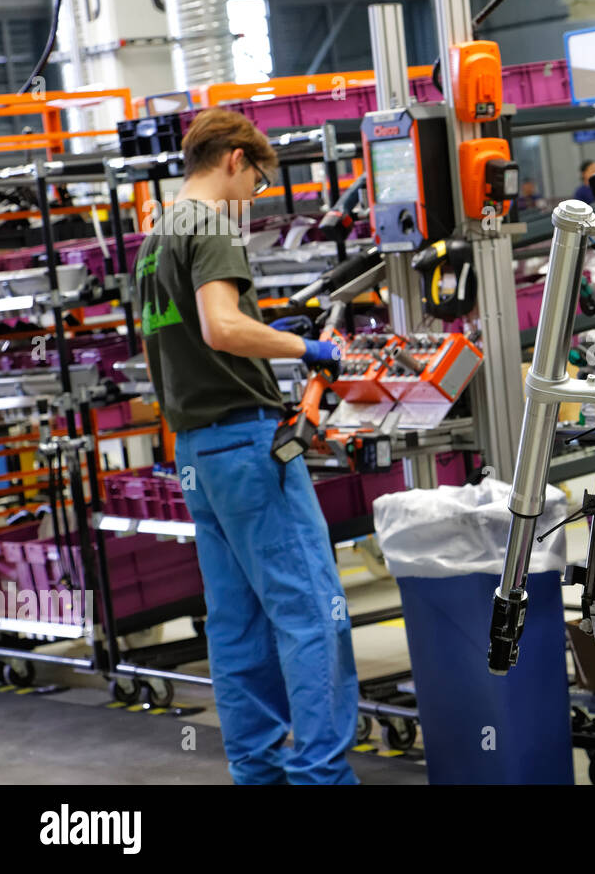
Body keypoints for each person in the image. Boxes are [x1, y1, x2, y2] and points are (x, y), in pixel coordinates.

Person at [134, 108, 359, 785]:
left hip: (198, 452)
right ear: (235, 159)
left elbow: (170, 352)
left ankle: (256, 773)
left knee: (236, 626)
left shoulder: (157, 234)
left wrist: (267, 327)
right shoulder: (210, 225)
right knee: (314, 615)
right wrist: (308, 346)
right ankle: (322, 777)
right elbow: (222, 328)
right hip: (246, 446)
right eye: (256, 184)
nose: (250, 198)